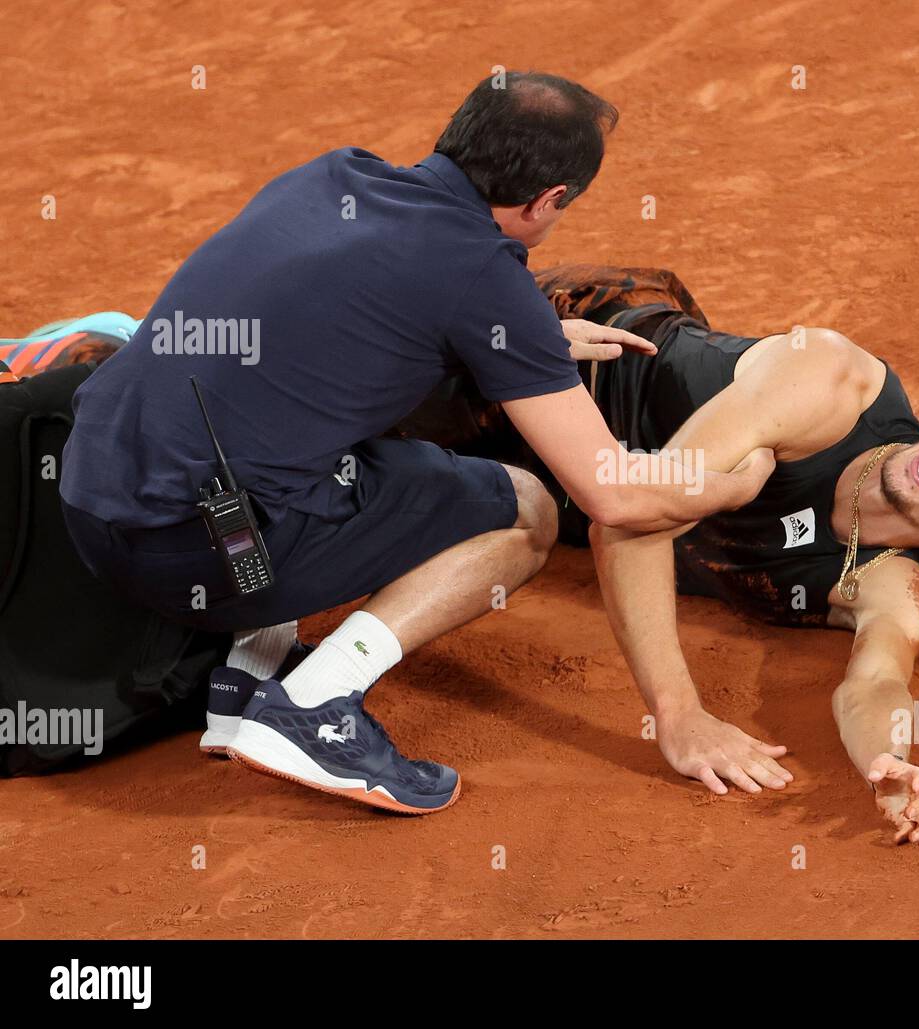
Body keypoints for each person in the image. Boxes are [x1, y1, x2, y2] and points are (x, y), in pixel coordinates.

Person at [55, 78, 773, 816]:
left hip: (89, 495)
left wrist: (529, 342)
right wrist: (734, 484)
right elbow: (611, 495)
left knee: (297, 427)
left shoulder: (334, 173)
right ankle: (314, 705)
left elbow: (333, 317)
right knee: (525, 512)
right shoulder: (481, 275)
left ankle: (248, 672)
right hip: (198, 553)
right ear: (547, 200)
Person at [419, 264, 919, 842]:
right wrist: (680, 716)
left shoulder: (904, 588)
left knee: (439, 500)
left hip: (546, 489)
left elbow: (874, 684)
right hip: (569, 362)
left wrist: (888, 761)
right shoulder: (831, 384)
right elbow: (626, 516)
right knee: (356, 394)